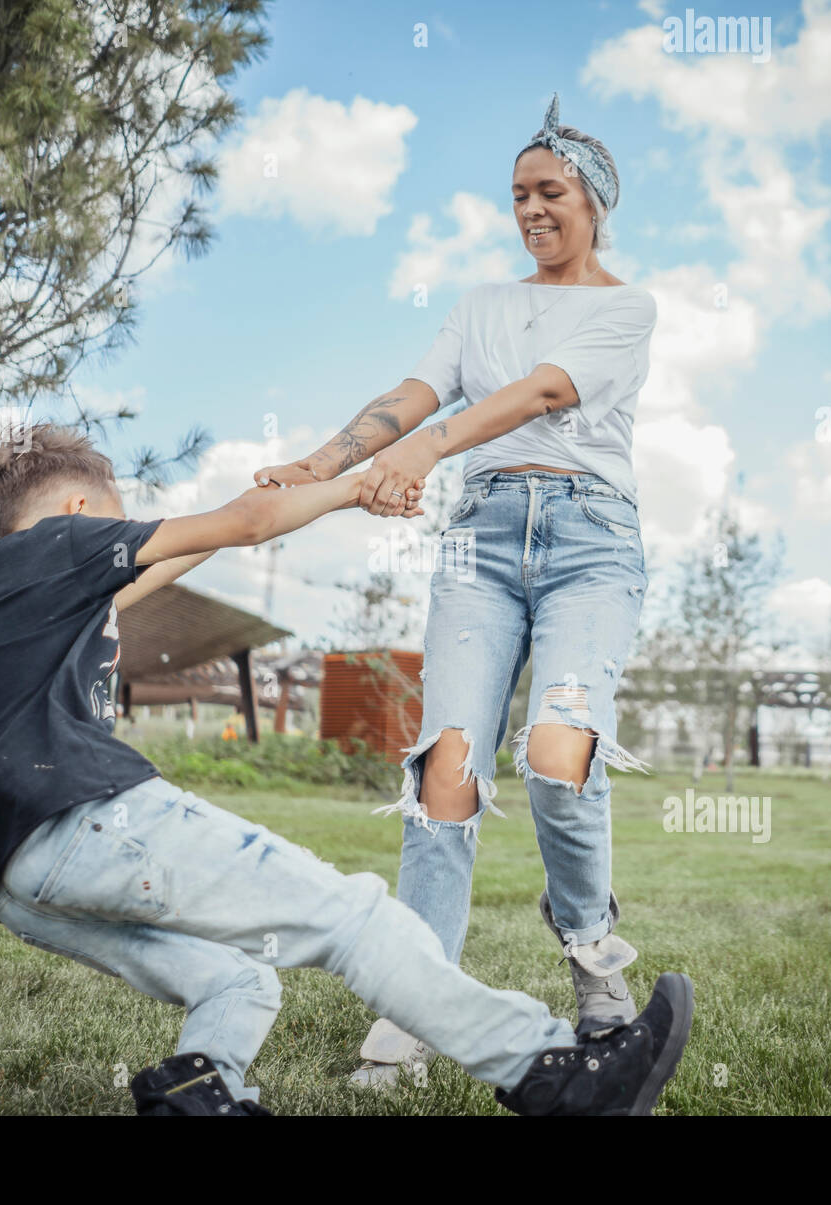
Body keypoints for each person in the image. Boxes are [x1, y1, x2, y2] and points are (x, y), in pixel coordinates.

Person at [0, 422, 693, 1116]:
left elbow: (204, 539)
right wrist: (354, 487)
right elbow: (246, 525)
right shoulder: (61, 546)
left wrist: (271, 492)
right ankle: (555, 1073)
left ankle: (199, 1097)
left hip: (17, 882)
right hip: (91, 819)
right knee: (357, 919)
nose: (121, 535)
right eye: (114, 518)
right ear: (74, 511)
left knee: (240, 979)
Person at [256, 94, 663, 1087]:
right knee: (447, 764)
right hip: (480, 541)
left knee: (558, 752)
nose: (530, 209)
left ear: (594, 200)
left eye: (549, 191)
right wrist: (325, 460)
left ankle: (591, 955)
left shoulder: (626, 308)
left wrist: (427, 451)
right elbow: (413, 393)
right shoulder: (480, 304)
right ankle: (417, 1003)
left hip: (590, 541)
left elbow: (542, 391)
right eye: (517, 194)